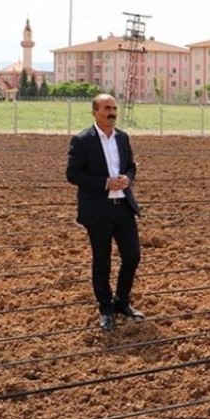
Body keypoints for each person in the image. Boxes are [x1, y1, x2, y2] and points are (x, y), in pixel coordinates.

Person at [66, 93, 144, 332]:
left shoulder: (122, 137)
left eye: (114, 108)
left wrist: (126, 179)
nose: (112, 112)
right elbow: (73, 175)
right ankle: (106, 309)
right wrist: (105, 183)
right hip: (98, 212)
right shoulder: (82, 140)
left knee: (132, 256)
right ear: (95, 112)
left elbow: (130, 166)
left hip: (123, 208)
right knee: (102, 261)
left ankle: (121, 302)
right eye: (106, 108)